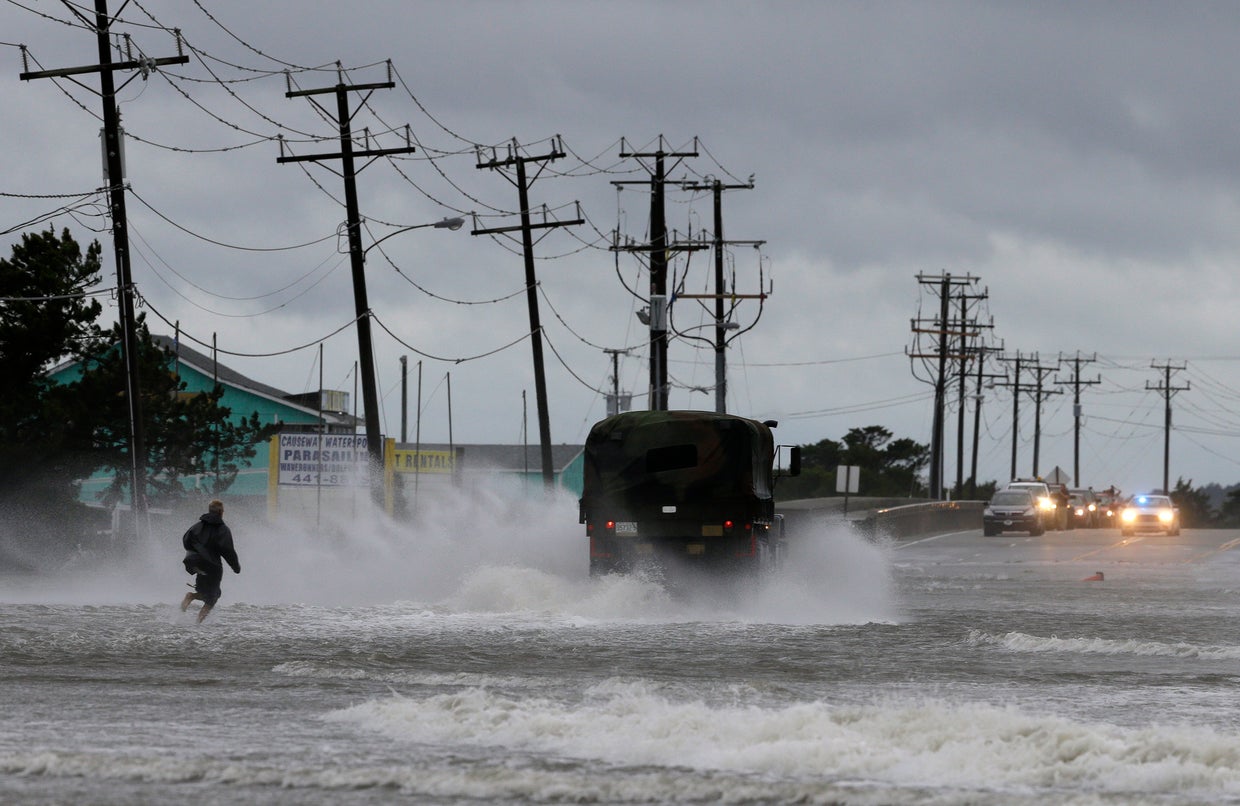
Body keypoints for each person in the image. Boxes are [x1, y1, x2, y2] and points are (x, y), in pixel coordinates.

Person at [180, 499, 240, 622]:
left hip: (197, 564)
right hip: (213, 566)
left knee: (204, 591)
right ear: (220, 512)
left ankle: (183, 612)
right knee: (213, 597)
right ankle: (197, 624)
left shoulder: (197, 526)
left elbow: (186, 539)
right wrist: (235, 567)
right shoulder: (223, 529)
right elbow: (227, 550)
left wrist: (194, 554)